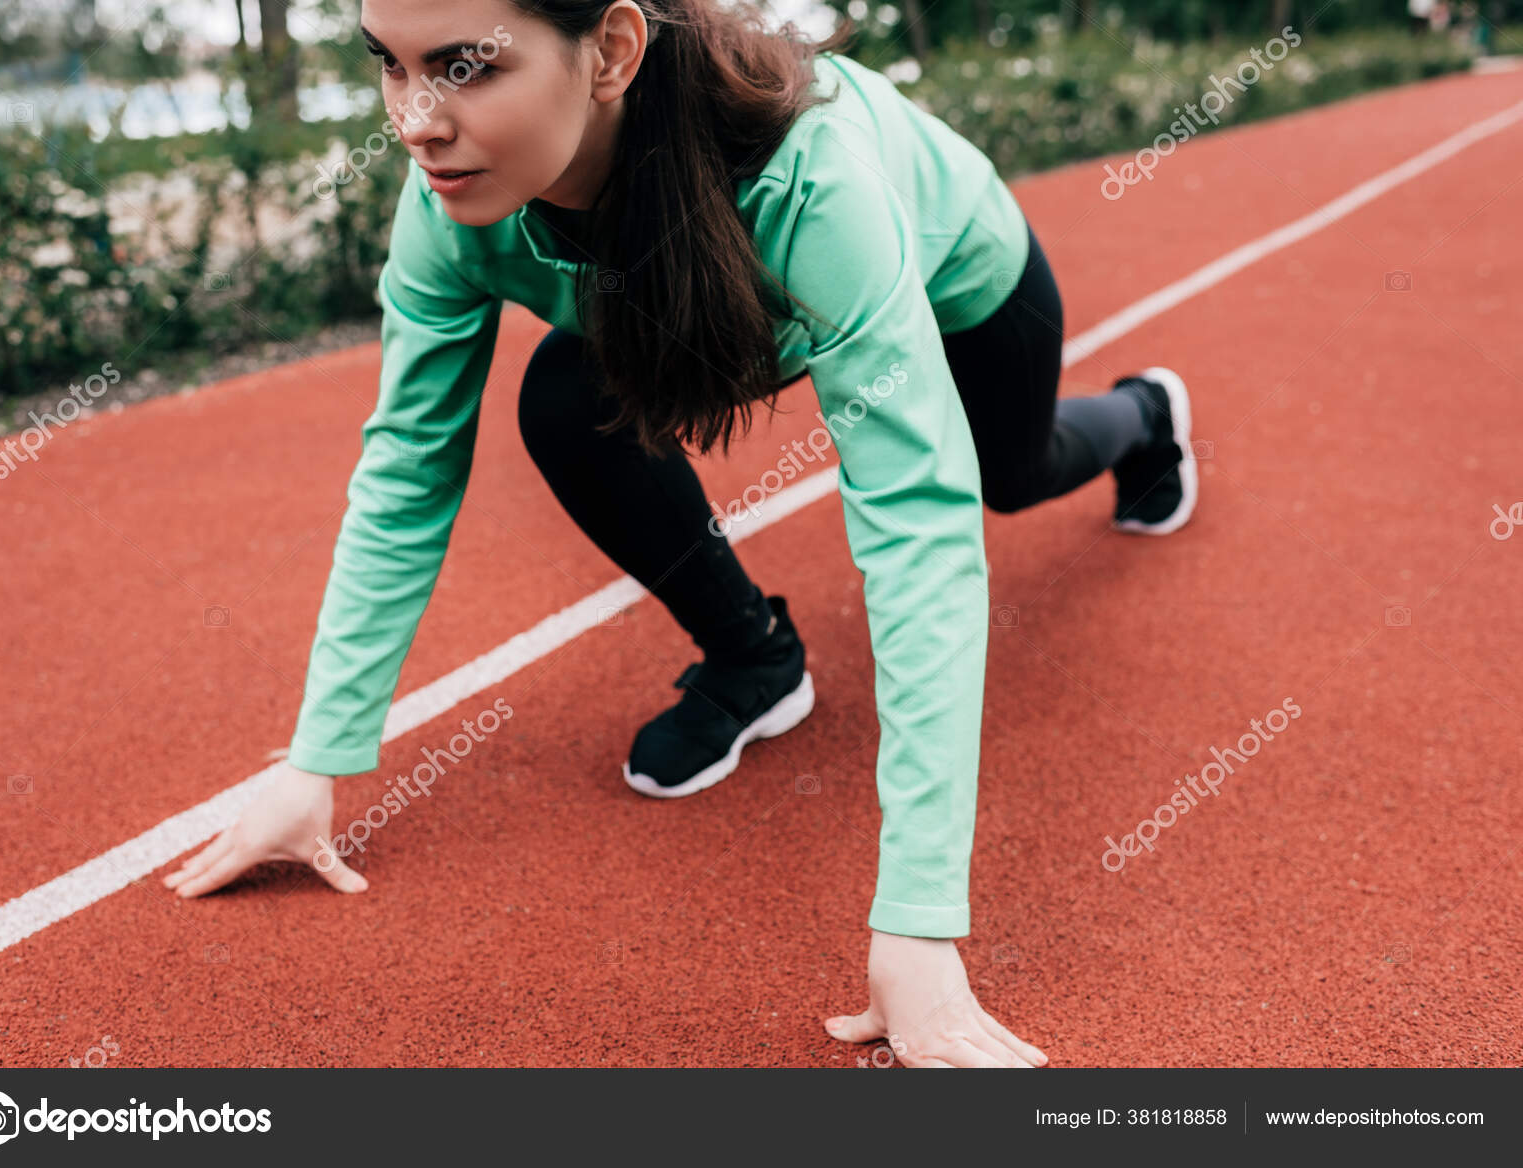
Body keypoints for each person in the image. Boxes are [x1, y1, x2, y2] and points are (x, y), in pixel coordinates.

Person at [163, 0, 1198, 1069]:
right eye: (391, 65)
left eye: (466, 67)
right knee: (564, 401)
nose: (414, 121)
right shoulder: (446, 204)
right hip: (678, 294)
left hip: (950, 277)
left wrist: (918, 926)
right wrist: (316, 757)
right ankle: (755, 658)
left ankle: (1145, 417)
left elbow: (915, 521)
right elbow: (407, 467)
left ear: (609, 51)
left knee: (1004, 477)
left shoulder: (812, 180)